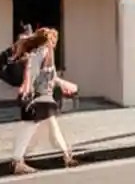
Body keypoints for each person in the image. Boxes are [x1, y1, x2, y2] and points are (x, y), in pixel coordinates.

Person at [10, 28, 79, 175]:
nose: (54, 43)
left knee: (44, 128)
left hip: (44, 97)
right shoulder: (43, 51)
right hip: (38, 98)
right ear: (49, 40)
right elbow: (31, 69)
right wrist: (27, 87)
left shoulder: (46, 53)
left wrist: (64, 85)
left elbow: (51, 77)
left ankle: (66, 155)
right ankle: (18, 161)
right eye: (53, 40)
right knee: (29, 128)